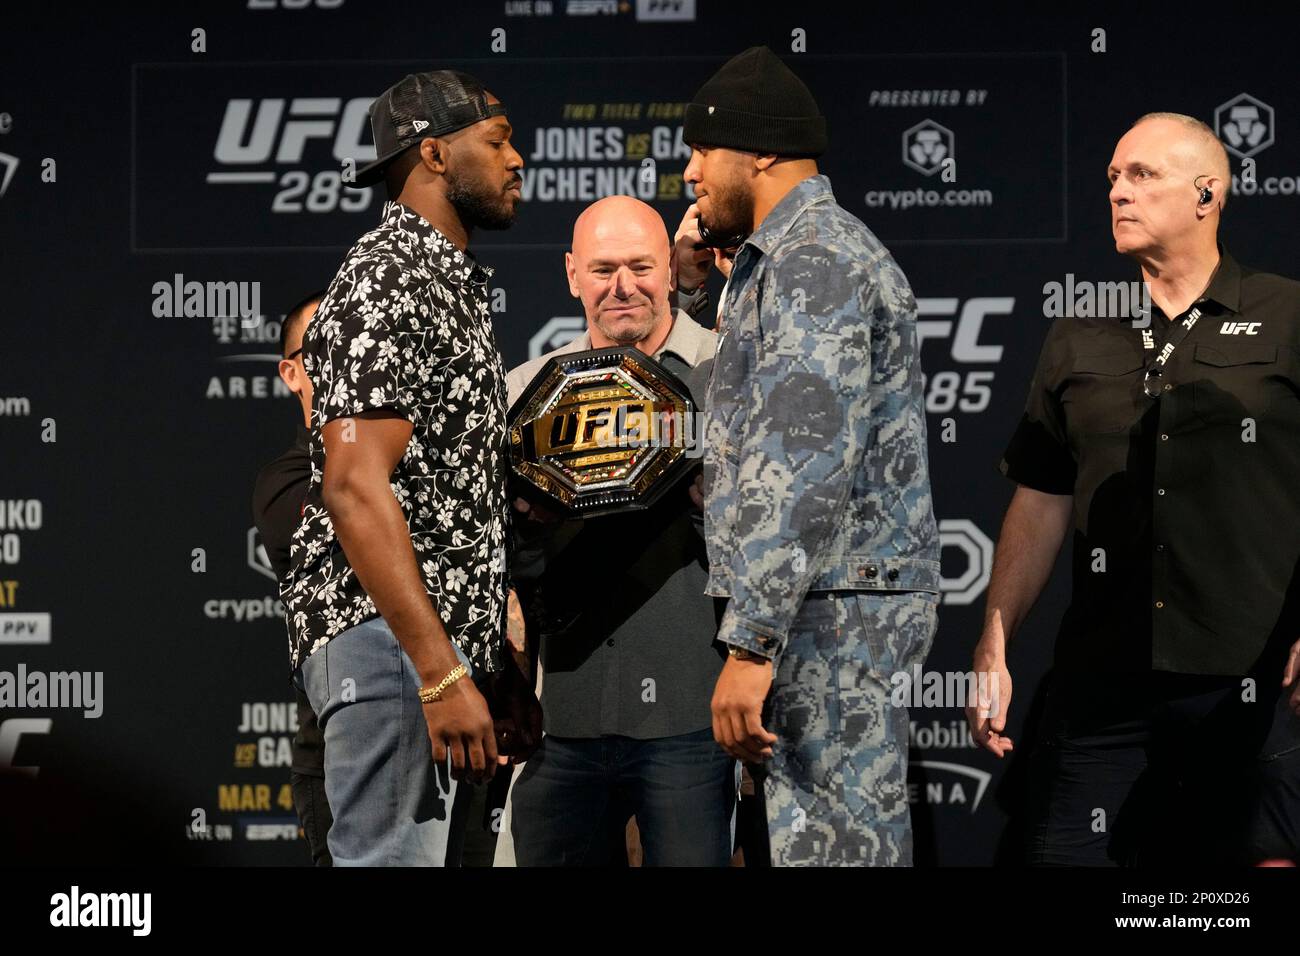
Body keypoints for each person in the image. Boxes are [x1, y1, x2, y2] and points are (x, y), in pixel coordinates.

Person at [967, 112, 1300, 866]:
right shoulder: (1080, 335)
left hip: (1252, 681)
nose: (1119, 191)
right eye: (1114, 177)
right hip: (1103, 683)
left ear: (1208, 194)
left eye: (1143, 175)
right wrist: (995, 631)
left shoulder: (1289, 316)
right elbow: (1042, 498)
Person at [683, 46, 941, 867]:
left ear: (756, 152)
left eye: (700, 151)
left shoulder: (815, 258)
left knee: (835, 856)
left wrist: (752, 642)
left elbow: (801, 463)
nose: (688, 173)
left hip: (825, 622)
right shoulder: (783, 258)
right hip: (818, 609)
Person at [282, 70, 539, 867]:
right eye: (496, 142)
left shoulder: (442, 282)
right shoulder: (389, 279)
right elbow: (354, 487)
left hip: (425, 653)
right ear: (433, 153)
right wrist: (437, 674)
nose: (518, 158)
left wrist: (481, 664)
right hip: (389, 649)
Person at [498, 196, 734, 867]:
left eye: (640, 267)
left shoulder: (728, 381)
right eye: (603, 269)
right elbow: (502, 568)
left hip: (692, 715)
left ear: (670, 272)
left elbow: (777, 550)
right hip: (563, 719)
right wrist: (533, 529)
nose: (622, 286)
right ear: (572, 273)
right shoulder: (527, 394)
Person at [252, 290, 331, 866]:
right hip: (337, 756)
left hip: (459, 741)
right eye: (326, 346)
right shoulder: (286, 480)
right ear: (292, 373)